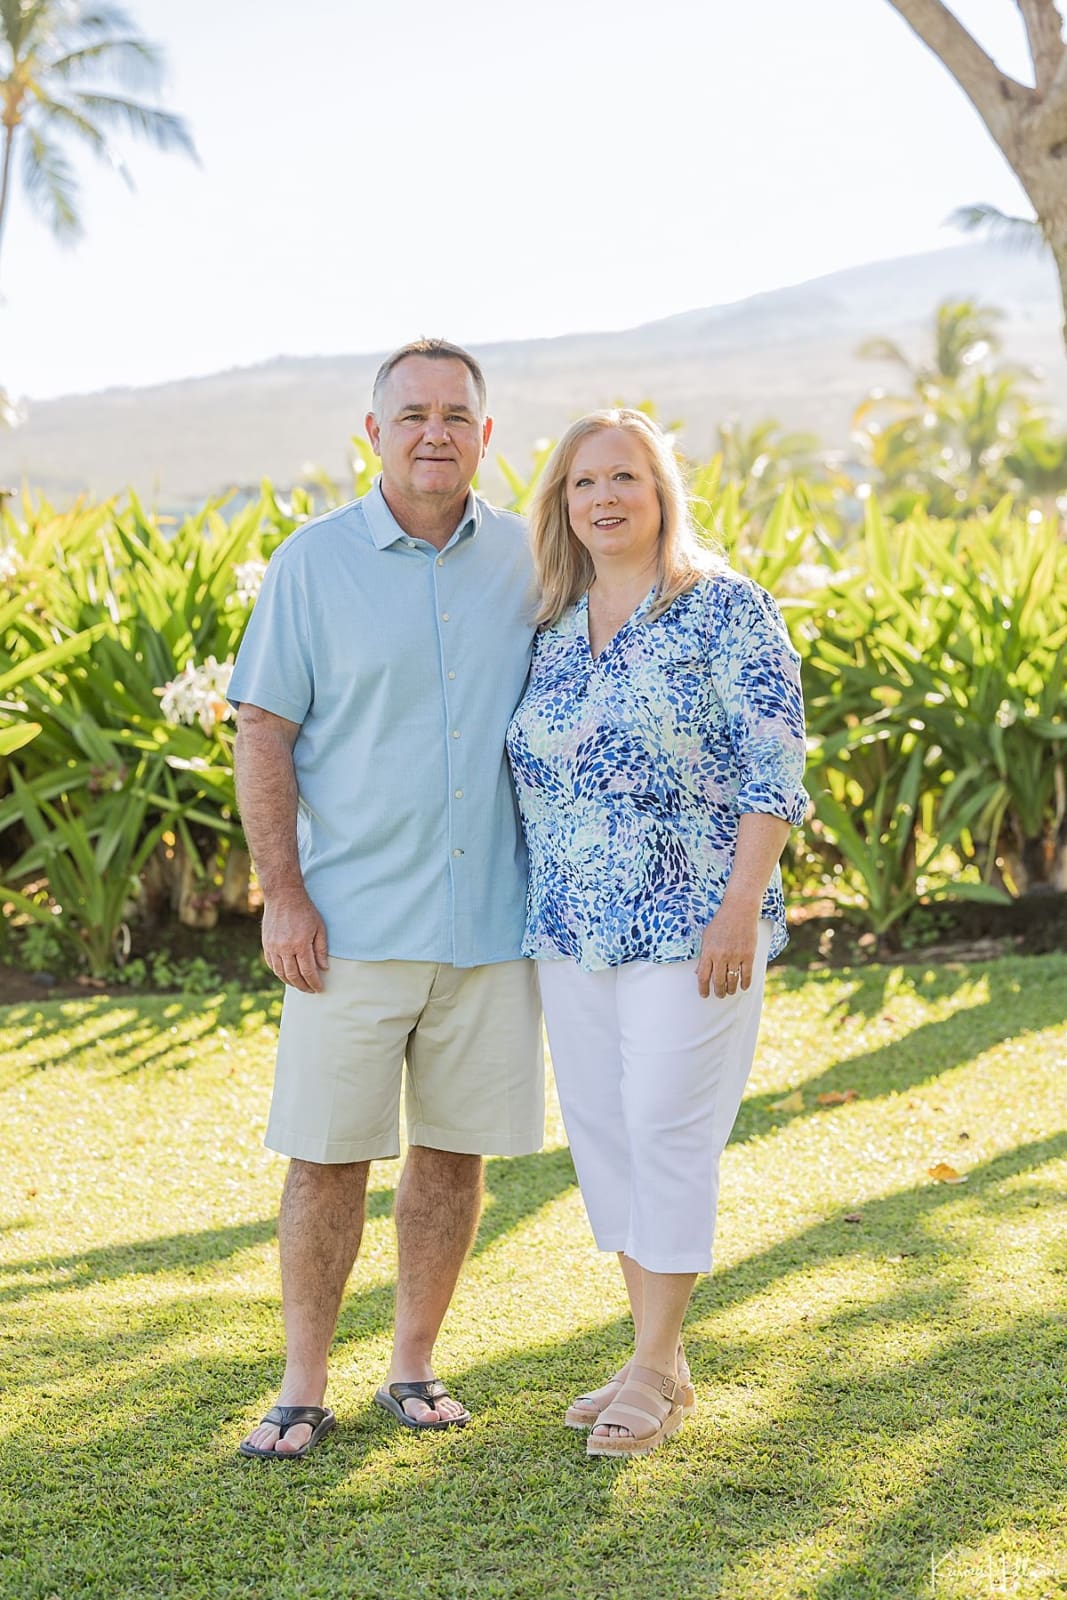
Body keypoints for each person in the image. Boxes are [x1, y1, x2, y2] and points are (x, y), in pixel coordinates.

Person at [230, 338, 544, 1459]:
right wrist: (283, 894)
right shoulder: (311, 563)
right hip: (349, 926)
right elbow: (263, 730)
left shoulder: (527, 557)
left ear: (485, 435)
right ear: (373, 432)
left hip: (491, 926)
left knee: (452, 1153)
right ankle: (302, 1381)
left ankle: (412, 1366)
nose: (434, 433)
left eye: (456, 414)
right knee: (326, 1156)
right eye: (410, 413)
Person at [506, 409, 808, 1459]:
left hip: (693, 923)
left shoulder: (724, 609)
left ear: (659, 491)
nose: (604, 497)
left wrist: (740, 905)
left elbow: (775, 768)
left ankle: (649, 1364)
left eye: (624, 477)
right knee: (605, 1130)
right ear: (562, 504)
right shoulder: (549, 627)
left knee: (667, 1122)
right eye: (584, 482)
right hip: (571, 932)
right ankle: (656, 1358)